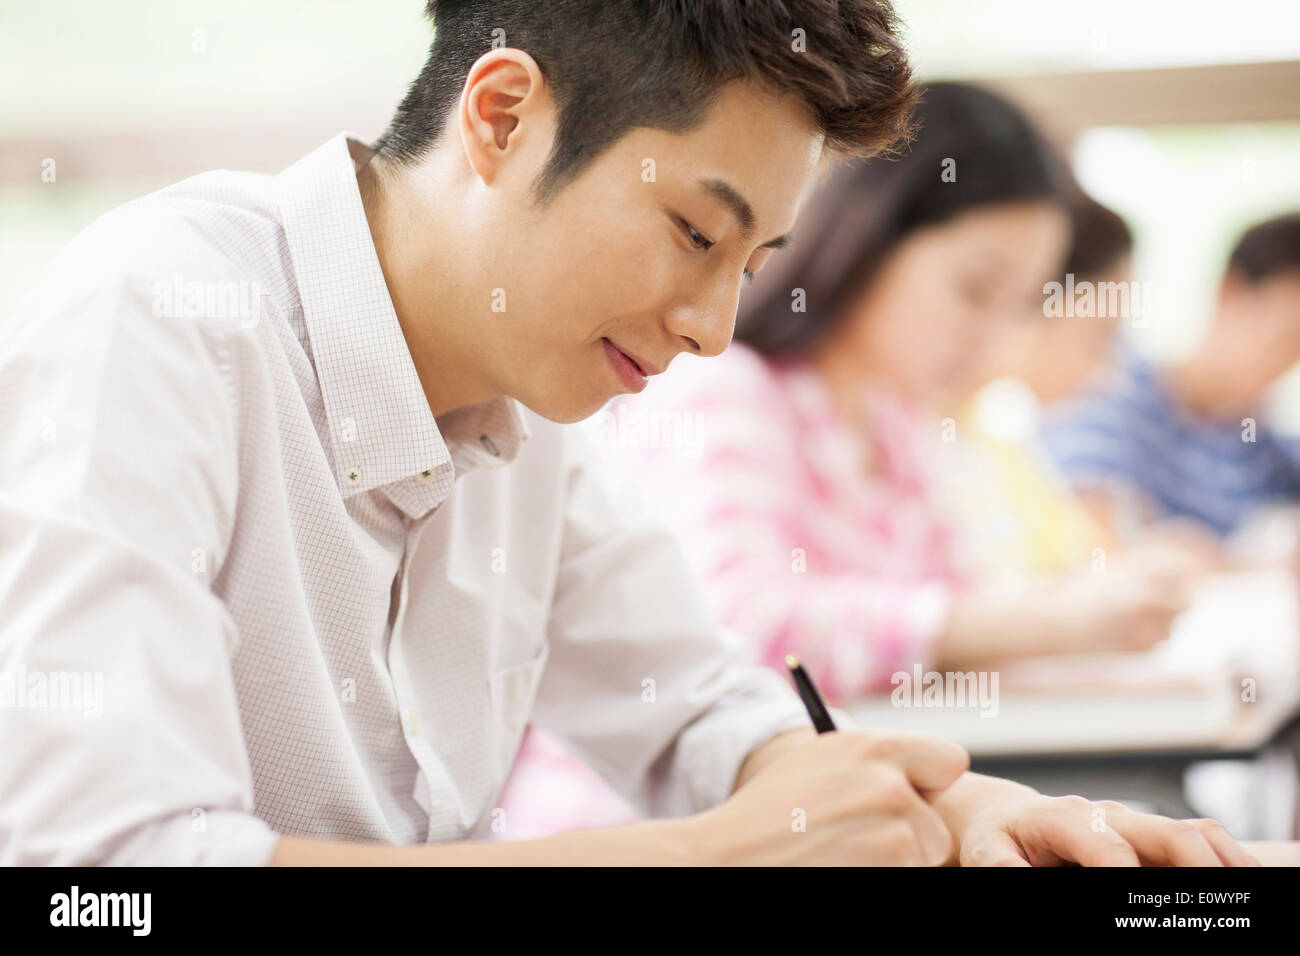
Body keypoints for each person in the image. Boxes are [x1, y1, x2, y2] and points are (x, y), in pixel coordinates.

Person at [0, 4, 1255, 867]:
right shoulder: (161, 315)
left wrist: (951, 803)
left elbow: (695, 705)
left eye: (754, 260)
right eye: (696, 236)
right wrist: (696, 856)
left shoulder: (526, 393)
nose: (715, 328)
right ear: (500, 117)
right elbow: (107, 875)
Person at [1042, 211, 1300, 543]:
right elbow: (1094, 524)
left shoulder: (1264, 450)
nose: (1286, 365)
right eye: (1285, 338)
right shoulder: (1109, 383)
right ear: (1229, 292)